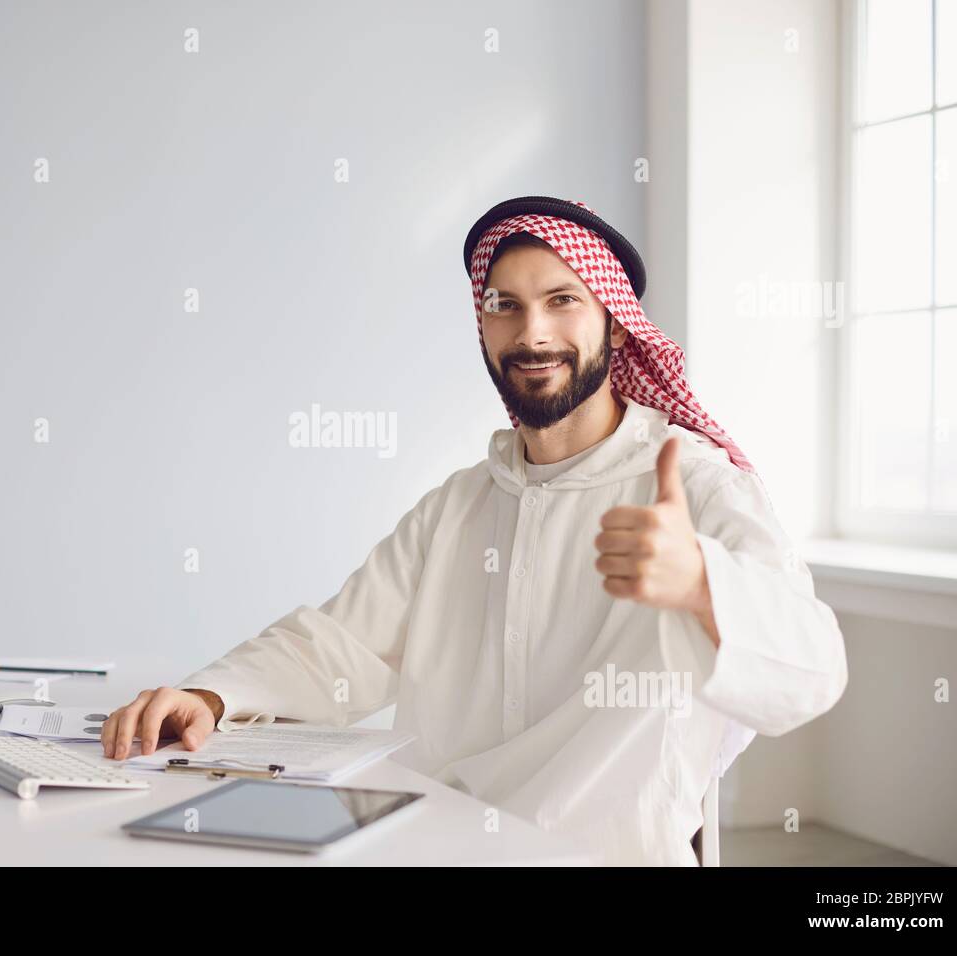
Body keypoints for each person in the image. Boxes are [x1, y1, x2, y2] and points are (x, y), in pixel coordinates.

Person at [100, 196, 848, 865]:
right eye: (506, 306)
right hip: (431, 847)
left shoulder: (695, 484)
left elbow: (814, 672)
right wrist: (214, 695)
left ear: (616, 326)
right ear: (483, 324)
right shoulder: (458, 506)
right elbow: (338, 646)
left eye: (563, 301)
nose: (534, 332)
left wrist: (701, 584)